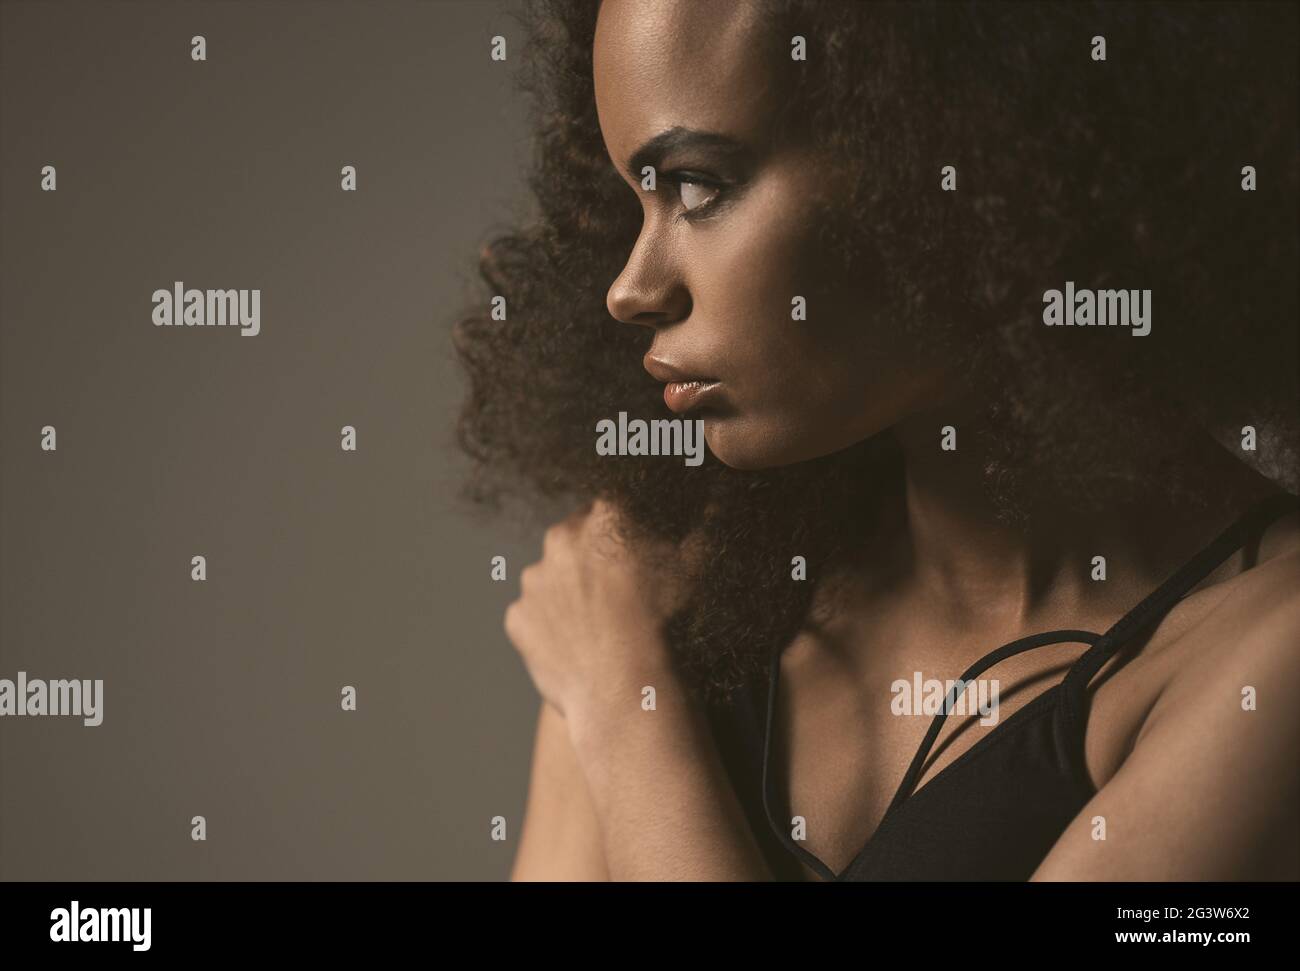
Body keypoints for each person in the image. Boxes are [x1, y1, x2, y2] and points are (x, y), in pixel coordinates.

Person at [452, 0, 1300, 880]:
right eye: (634, 199)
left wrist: (627, 714)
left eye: (699, 187)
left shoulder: (1268, 655)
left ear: (956, 150)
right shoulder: (677, 583)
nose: (630, 288)